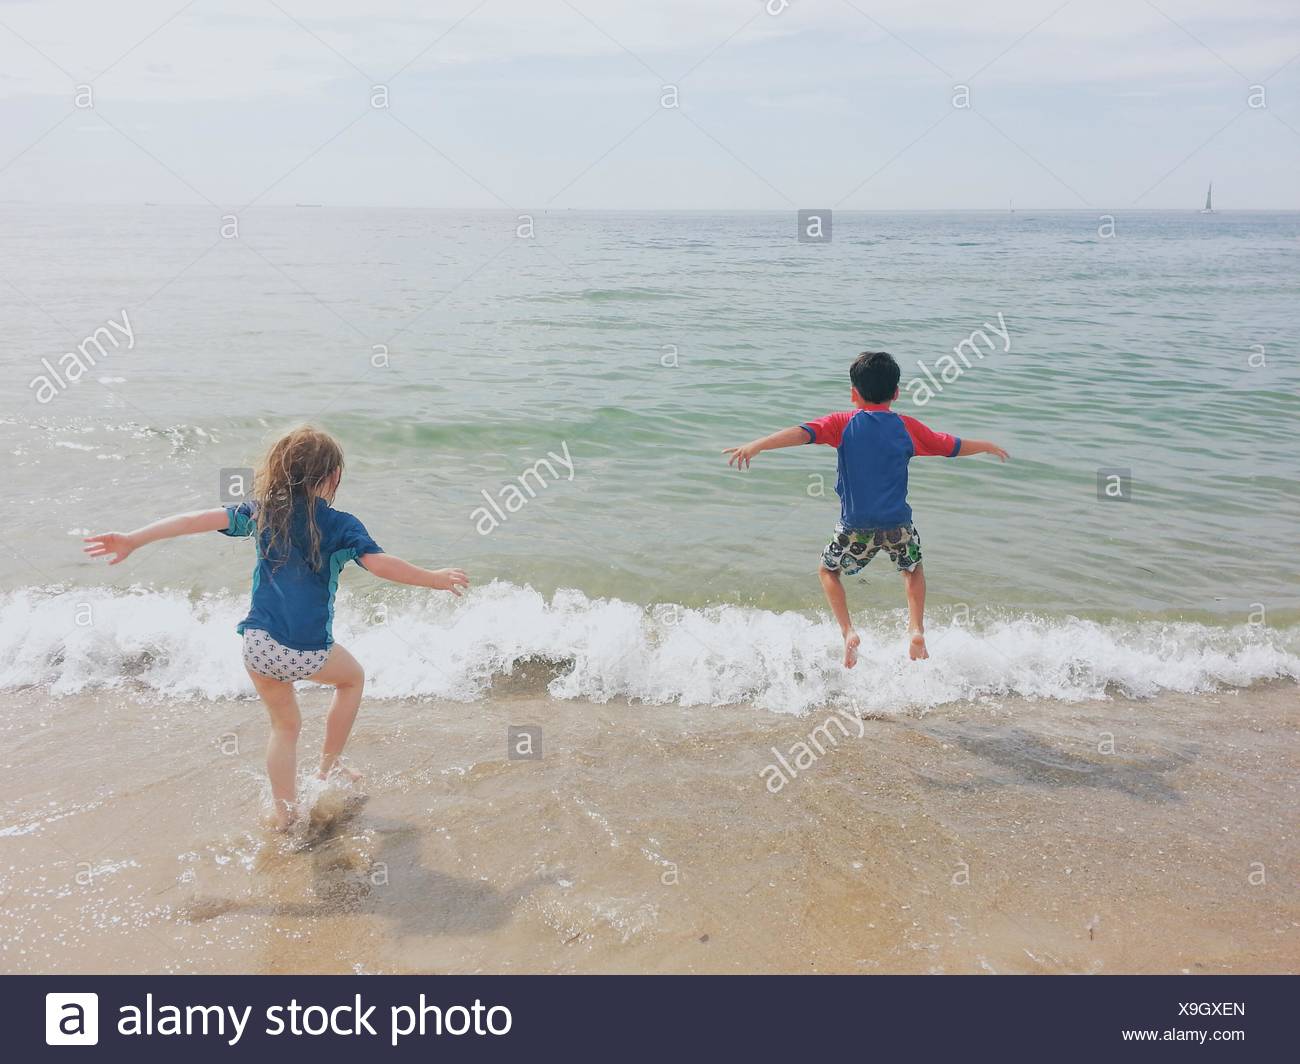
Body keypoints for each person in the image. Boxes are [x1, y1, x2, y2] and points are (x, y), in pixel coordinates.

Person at [84, 425, 469, 829]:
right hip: (308, 650)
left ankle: (285, 815)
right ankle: (328, 766)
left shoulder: (263, 510)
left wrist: (134, 538)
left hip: (258, 647)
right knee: (351, 680)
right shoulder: (342, 524)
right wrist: (435, 578)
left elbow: (193, 519)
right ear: (333, 476)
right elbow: (380, 565)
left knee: (284, 727)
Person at [723, 351, 1007, 667]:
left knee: (828, 570)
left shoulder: (841, 423)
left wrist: (758, 444)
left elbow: (800, 434)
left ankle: (848, 633)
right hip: (898, 525)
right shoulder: (907, 428)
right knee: (912, 570)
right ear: (896, 393)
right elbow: (950, 446)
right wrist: (985, 445)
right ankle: (916, 630)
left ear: (853, 393)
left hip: (854, 526)